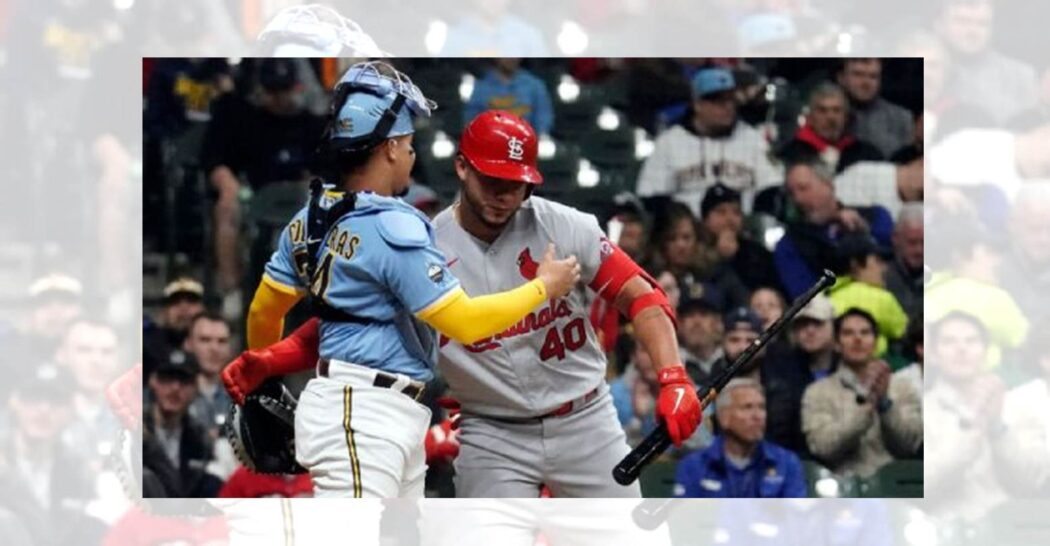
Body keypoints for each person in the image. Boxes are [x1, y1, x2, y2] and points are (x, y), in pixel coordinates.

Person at [226, 108, 702, 499]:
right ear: (461, 167)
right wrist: (270, 357)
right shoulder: (423, 241)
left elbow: (643, 296)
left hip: (585, 418)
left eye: (515, 183)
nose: (502, 194)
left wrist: (673, 377)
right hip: (491, 434)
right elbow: (352, 324)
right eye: (490, 179)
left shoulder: (565, 226)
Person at [226, 63, 581, 499]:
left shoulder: (308, 218)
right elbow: (465, 323)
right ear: (391, 147)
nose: (412, 154)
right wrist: (544, 287)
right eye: (409, 144)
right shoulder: (396, 224)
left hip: (370, 408)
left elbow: (265, 311)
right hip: (363, 412)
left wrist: (265, 383)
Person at [202, 58, 326, 295]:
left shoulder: (312, 124)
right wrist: (230, 185)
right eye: (272, 91)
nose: (278, 98)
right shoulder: (245, 121)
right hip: (256, 194)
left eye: (283, 90)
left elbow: (326, 168)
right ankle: (232, 289)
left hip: (301, 196)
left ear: (296, 87)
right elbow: (216, 162)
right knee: (227, 207)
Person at [636, 66, 782, 216]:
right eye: (718, 101)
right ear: (697, 104)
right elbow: (652, 195)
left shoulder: (752, 139)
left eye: (731, 100)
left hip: (739, 229)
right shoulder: (670, 142)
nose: (728, 107)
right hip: (689, 233)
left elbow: (771, 188)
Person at [800, 309, 916, 478]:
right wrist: (865, 410)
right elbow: (822, 447)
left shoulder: (902, 387)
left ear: (876, 342)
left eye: (865, 333)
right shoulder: (817, 392)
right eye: (848, 333)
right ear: (837, 344)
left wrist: (884, 404)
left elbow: (910, 444)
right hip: (844, 489)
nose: (857, 339)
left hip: (895, 487)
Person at [924, 311, 1008, 522]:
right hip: (946, 526)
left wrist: (998, 426)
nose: (961, 349)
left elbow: (1031, 482)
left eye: (972, 341)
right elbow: (924, 483)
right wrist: (972, 429)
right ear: (933, 355)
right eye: (948, 342)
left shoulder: (1010, 402)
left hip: (1006, 525)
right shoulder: (921, 410)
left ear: (985, 352)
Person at [773, 158, 893, 298]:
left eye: (804, 188)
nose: (798, 199)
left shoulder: (875, 216)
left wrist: (862, 231)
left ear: (828, 184)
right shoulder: (789, 245)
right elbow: (806, 296)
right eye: (792, 194)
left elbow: (895, 257)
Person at [673, 378, 806, 498]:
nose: (757, 416)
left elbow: (795, 519)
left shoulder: (787, 463)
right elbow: (686, 521)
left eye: (761, 407)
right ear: (723, 417)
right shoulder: (695, 466)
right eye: (747, 407)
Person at [934, 0, 1038, 124]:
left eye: (982, 24)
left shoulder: (1021, 76)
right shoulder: (921, 71)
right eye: (962, 21)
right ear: (939, 25)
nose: (972, 31)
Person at [762, 294, 838, 455]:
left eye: (817, 323)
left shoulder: (848, 365)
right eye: (802, 324)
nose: (809, 331)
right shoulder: (778, 366)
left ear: (833, 326)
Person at [143, 352, 223, 497]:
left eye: (184, 381)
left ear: (195, 387)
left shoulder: (200, 439)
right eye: (167, 379)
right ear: (153, 381)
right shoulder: (134, 431)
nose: (175, 388)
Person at [825, 233, 909, 357]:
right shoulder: (882, 298)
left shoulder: (823, 296)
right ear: (855, 265)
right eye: (877, 261)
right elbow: (905, 332)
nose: (884, 268)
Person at [777, 82, 884, 173]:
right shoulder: (791, 155)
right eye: (822, 110)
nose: (831, 117)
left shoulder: (867, 155)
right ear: (809, 117)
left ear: (846, 117)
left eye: (837, 110)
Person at [698, 183, 783, 293]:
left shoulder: (756, 253)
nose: (730, 219)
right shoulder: (693, 251)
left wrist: (737, 258)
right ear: (706, 219)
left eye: (736, 212)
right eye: (721, 212)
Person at [836, 58, 915, 157]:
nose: (866, 82)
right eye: (858, 75)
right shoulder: (822, 114)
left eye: (873, 76)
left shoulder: (901, 118)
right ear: (841, 78)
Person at [464, 58, 553, 134]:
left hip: (525, 145)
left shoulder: (534, 86)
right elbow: (471, 121)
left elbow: (543, 118)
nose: (511, 58)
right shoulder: (481, 87)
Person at [183, 312, 235, 438]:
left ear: (230, 348)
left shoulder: (241, 400)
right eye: (205, 340)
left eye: (222, 341)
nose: (214, 348)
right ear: (188, 344)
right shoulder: (172, 392)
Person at [143, 277, 206, 380]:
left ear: (203, 308)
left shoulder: (216, 340)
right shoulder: (148, 345)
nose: (184, 308)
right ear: (164, 312)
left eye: (191, 301)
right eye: (175, 302)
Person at [884, 203, 924, 318]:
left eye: (924, 243)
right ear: (896, 239)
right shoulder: (882, 277)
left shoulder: (938, 277)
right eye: (912, 243)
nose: (919, 250)